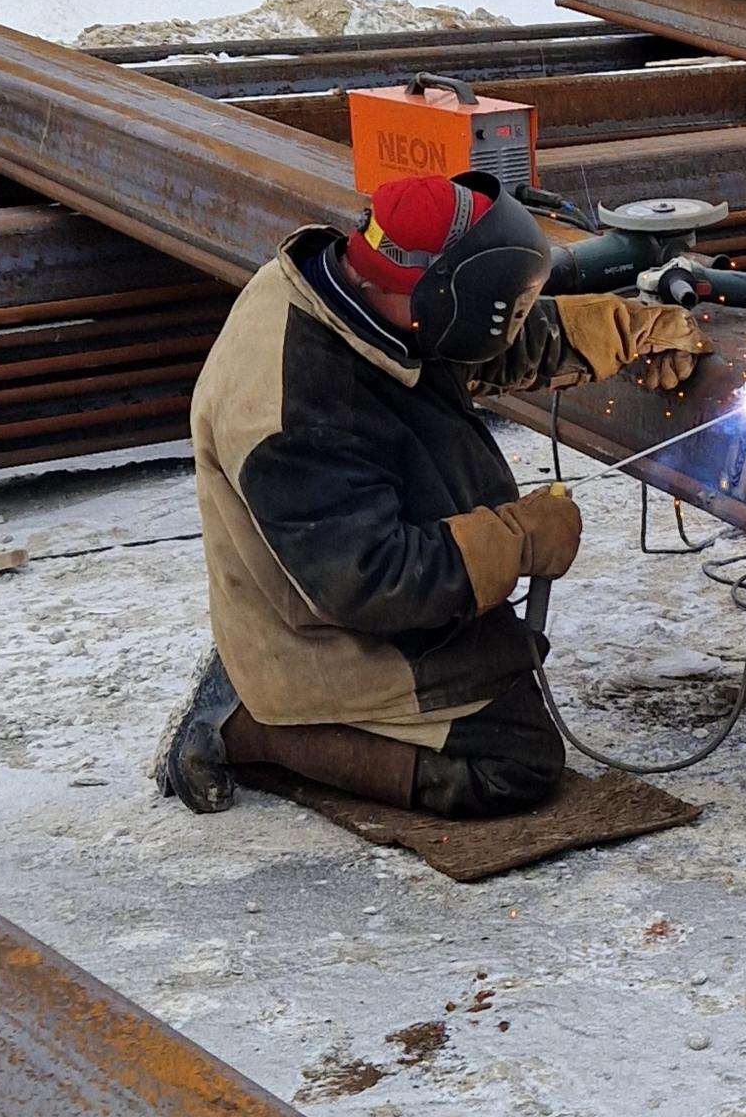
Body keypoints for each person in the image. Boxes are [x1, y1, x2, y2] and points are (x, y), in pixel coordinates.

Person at [155, 170, 708, 820]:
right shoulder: (296, 406)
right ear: (442, 291)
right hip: (335, 616)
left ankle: (255, 685)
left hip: (320, 565)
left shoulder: (361, 290)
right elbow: (371, 580)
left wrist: (625, 333)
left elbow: (471, 341)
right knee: (515, 761)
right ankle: (255, 729)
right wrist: (519, 539)